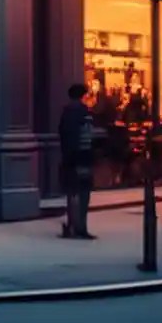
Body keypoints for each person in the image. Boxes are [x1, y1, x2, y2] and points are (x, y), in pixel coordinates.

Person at [59, 83, 97, 239]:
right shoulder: (84, 112)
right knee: (83, 192)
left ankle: (72, 224)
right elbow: (88, 134)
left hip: (71, 156)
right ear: (83, 95)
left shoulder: (67, 112)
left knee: (72, 192)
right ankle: (80, 226)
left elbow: (63, 134)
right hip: (83, 155)